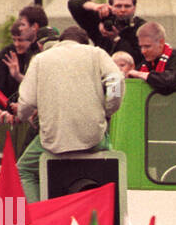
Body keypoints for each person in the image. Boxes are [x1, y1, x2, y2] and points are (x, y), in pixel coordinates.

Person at [10, 27, 124, 202]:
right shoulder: (96, 53)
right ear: (84, 43)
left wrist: (25, 118)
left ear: (60, 41)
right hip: (93, 138)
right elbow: (116, 79)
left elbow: (26, 102)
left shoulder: (40, 59)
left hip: (54, 140)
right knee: (111, 165)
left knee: (22, 171)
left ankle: (39, 217)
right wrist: (109, 108)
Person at [67, 0, 146, 66]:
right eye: (118, 6)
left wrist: (116, 39)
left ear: (134, 8)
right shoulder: (102, 20)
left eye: (127, 6)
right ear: (111, 7)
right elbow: (73, 3)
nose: (123, 10)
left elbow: (135, 57)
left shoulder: (141, 27)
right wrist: (95, 7)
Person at [0, 21, 40, 124]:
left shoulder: (37, 56)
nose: (17, 44)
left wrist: (17, 75)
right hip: (8, 114)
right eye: (14, 40)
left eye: (20, 40)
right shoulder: (6, 54)